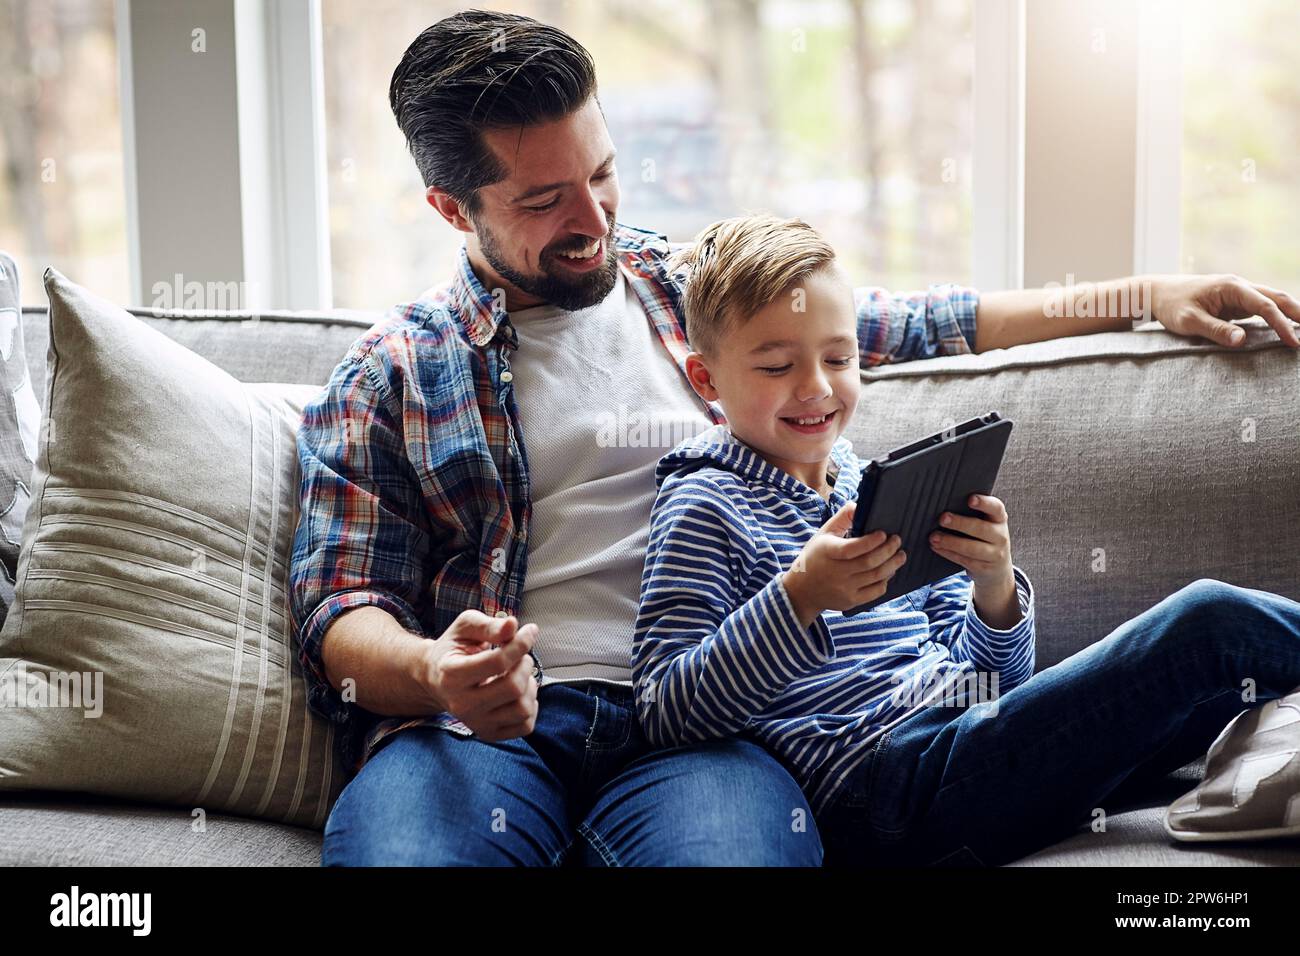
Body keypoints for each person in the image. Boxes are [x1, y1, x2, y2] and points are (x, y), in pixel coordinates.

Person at [288, 9, 1300, 866]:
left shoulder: (692, 291)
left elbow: (913, 321)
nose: (592, 215)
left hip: (709, 741)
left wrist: (1143, 295)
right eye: (544, 200)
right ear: (449, 207)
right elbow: (338, 604)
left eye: (601, 174)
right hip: (483, 730)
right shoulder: (392, 373)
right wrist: (434, 671)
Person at [632, 213, 1300, 867]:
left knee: (1219, 685)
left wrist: (994, 589)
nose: (816, 387)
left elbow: (994, 685)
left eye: (838, 358)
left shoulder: (874, 487)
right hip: (884, 791)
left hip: (969, 753)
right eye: (776, 367)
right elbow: (666, 712)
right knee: (1209, 626)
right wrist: (798, 598)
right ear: (707, 381)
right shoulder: (704, 501)